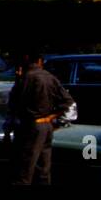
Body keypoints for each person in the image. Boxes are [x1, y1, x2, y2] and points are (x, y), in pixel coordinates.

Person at [7, 51, 75, 185]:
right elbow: (67, 102)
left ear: (26, 59)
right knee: (43, 170)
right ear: (40, 61)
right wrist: (51, 117)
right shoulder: (50, 77)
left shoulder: (26, 78)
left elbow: (14, 105)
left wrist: (8, 129)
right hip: (46, 126)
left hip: (29, 126)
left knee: (24, 170)